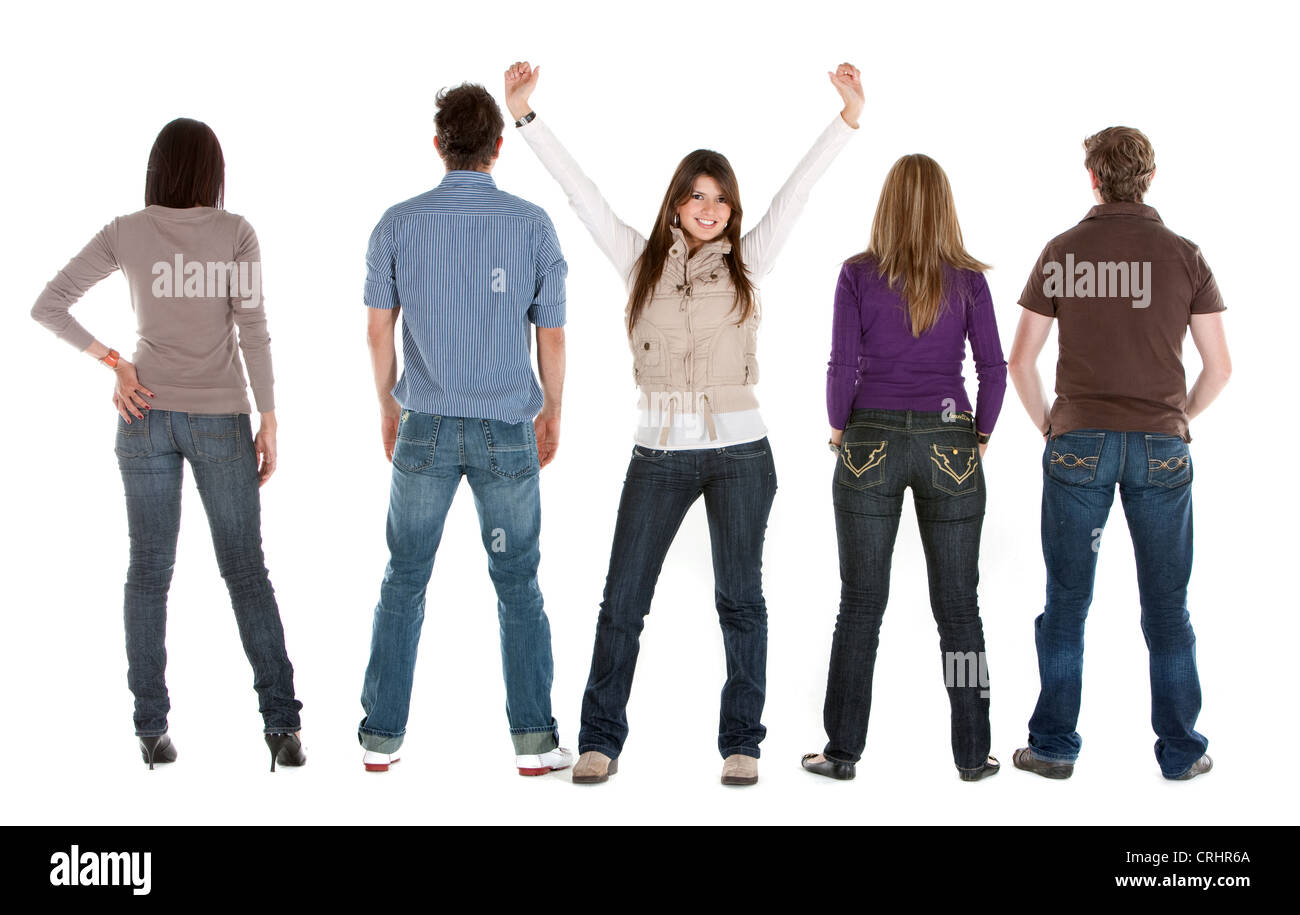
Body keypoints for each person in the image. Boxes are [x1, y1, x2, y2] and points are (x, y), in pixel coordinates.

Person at [505, 60, 863, 786]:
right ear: (677, 203)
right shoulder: (638, 261)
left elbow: (799, 192)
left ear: (732, 211)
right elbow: (582, 194)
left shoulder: (747, 263)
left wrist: (847, 118)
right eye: (697, 195)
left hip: (739, 453)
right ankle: (600, 739)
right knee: (624, 598)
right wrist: (525, 116)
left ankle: (743, 742)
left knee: (740, 599)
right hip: (658, 453)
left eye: (721, 199)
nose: (709, 207)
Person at [30, 117, 305, 771]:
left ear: (156, 168)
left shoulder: (126, 231)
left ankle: (150, 730)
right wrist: (269, 417)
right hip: (218, 418)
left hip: (144, 414)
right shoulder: (235, 232)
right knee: (245, 572)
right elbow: (254, 327)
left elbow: (49, 303)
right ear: (214, 172)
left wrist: (115, 363)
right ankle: (283, 727)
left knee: (148, 575)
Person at [357, 82, 571, 777]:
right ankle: (535, 745)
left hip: (425, 427)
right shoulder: (532, 225)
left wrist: (389, 405)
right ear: (498, 146)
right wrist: (555, 409)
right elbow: (553, 336)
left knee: (404, 577)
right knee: (518, 583)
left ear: (439, 144)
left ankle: (379, 739)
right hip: (507, 430)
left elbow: (376, 330)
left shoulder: (397, 224)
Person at [1007, 126, 1231, 780]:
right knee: (1168, 607)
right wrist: (1174, 419)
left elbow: (1020, 359)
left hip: (1078, 441)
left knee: (1067, 602)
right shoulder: (1186, 256)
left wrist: (1054, 424)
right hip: (1163, 447)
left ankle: (1051, 746)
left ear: (1094, 178)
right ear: (1149, 178)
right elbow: (1219, 367)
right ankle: (1183, 752)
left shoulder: (1064, 250)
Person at [801, 154, 1007, 783]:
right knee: (959, 608)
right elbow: (993, 369)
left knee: (861, 603)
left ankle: (841, 754)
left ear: (886, 204)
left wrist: (840, 425)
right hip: (951, 441)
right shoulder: (968, 278)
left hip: (870, 440)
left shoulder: (857, 274)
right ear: (946, 206)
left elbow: (841, 365)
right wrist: (980, 434)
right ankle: (973, 756)